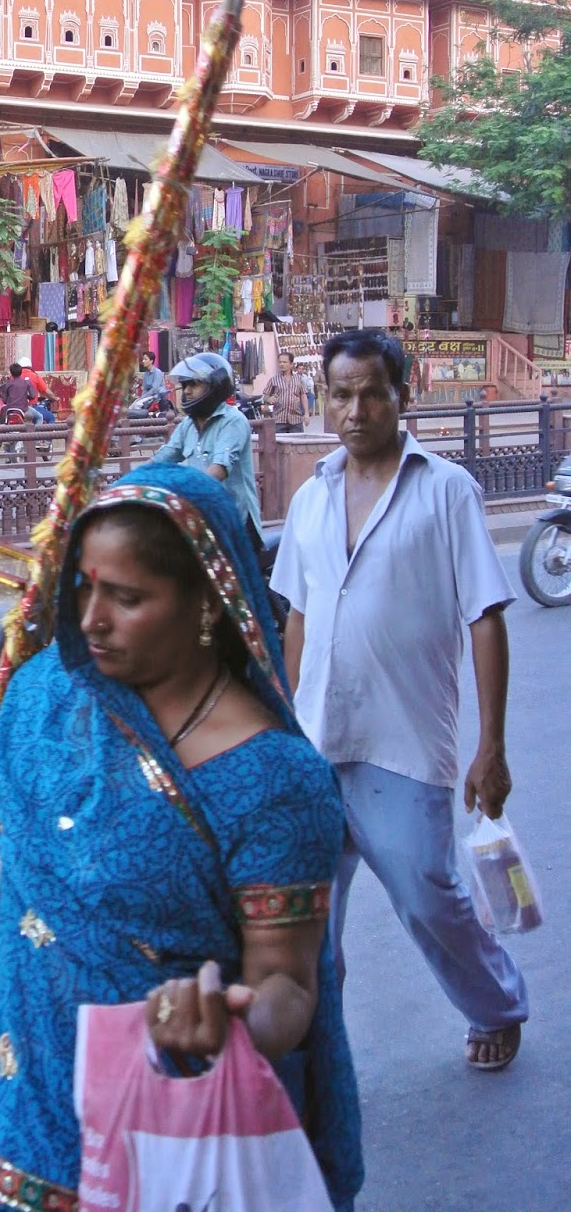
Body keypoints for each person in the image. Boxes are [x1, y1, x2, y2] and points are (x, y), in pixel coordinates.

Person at [0, 465, 363, 1211]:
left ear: (205, 605)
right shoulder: (40, 692)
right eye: (84, 587)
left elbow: (287, 985)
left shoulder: (276, 781)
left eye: (126, 598)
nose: (90, 619)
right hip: (16, 1121)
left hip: (166, 1147)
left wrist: (230, 1023)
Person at [270, 328, 528, 1073]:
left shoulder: (445, 490)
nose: (353, 411)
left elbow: (484, 616)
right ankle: (316, 1042)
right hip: (317, 739)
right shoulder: (312, 493)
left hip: (405, 744)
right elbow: (298, 616)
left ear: (400, 399)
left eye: (370, 394)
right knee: (308, 917)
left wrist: (491, 745)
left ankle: (495, 1004)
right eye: (339, 394)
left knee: (427, 895)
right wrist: (287, 726)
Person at [152, 353, 263, 547]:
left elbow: (218, 470)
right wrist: (128, 483)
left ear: (215, 386)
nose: (186, 391)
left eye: (194, 384)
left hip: (236, 524)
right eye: (185, 385)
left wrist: (180, 492)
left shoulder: (233, 421)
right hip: (202, 520)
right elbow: (164, 456)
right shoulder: (188, 424)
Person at [266, 349, 309, 434]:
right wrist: (269, 399)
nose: (282, 364)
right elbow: (265, 396)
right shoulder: (273, 380)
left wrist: (306, 413)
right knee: (279, 446)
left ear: (291, 364)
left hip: (296, 420)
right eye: (280, 362)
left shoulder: (299, 379)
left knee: (296, 446)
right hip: (279, 420)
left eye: (285, 362)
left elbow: (303, 396)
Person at [16, 357, 54, 424]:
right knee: (50, 417)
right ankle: (38, 434)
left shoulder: (14, 377)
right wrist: (55, 398)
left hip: (16, 408)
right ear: (30, 366)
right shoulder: (35, 376)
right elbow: (47, 392)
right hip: (30, 407)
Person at [135, 348, 174, 413]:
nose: (143, 361)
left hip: (157, 396)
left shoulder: (158, 372)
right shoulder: (146, 374)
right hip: (148, 396)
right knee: (135, 404)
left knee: (138, 405)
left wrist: (143, 397)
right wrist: (141, 397)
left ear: (151, 361)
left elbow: (155, 389)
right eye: (143, 359)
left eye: (145, 359)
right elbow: (145, 389)